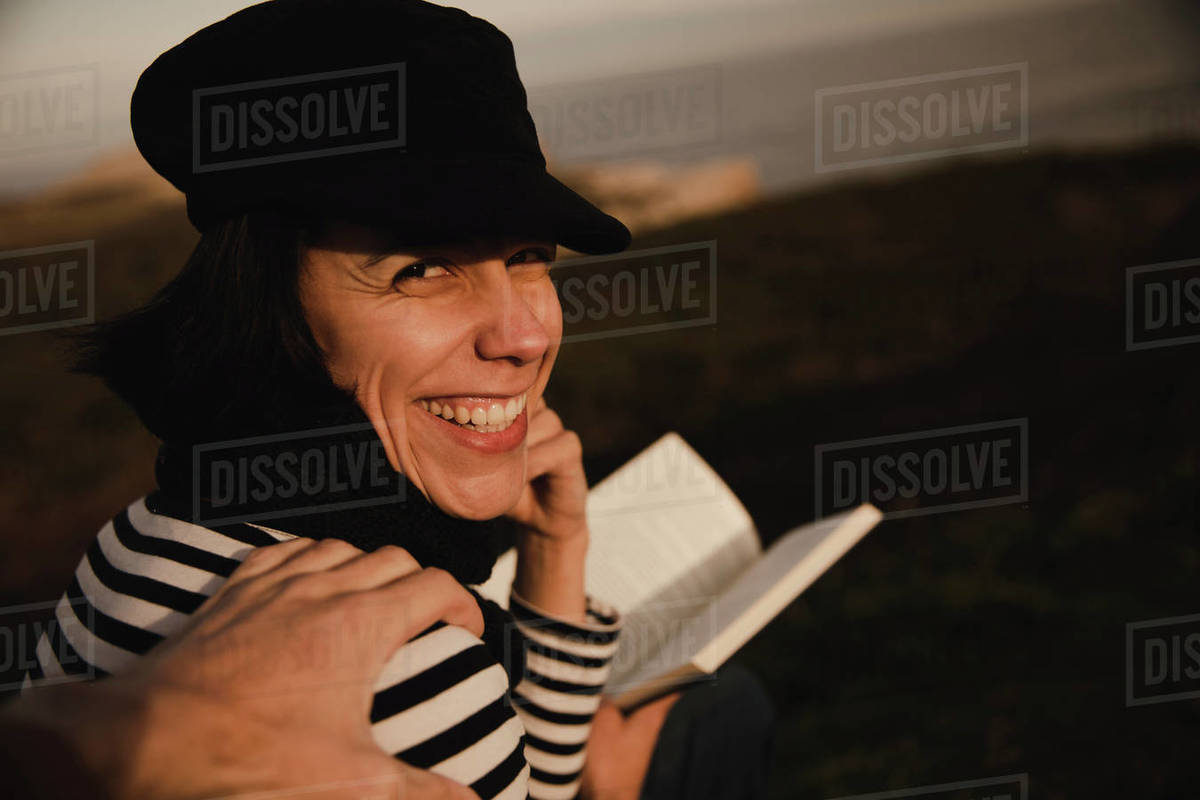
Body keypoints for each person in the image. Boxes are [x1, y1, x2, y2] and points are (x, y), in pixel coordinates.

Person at [24, 1, 775, 798]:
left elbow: (516, 776)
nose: (524, 336)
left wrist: (555, 555)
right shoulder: (419, 662)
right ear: (273, 309)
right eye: (423, 269)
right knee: (728, 708)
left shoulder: (135, 538)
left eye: (529, 256)